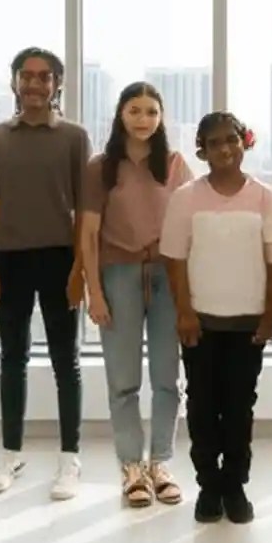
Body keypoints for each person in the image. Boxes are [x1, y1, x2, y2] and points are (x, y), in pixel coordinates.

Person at [160, 112, 272, 525]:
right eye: (214, 143)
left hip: (247, 325)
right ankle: (208, 487)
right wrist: (184, 312)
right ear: (202, 151)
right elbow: (174, 258)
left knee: (238, 408)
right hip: (200, 323)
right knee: (201, 407)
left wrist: (269, 317)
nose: (225, 148)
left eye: (231, 139)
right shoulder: (186, 197)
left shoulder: (265, 197)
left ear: (243, 142)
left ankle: (234, 486)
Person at [0, 47, 90, 499]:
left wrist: (80, 268)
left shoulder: (75, 137)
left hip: (60, 257)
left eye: (44, 77)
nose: (34, 84)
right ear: (14, 82)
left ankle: (70, 458)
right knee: (13, 358)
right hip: (11, 259)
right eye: (26, 76)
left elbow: (85, 209)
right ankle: (11, 453)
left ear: (56, 84)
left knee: (67, 361)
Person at [80, 81, 191, 508]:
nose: (143, 119)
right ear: (121, 115)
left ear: (161, 118)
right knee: (123, 380)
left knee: (167, 378)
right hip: (118, 275)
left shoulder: (176, 165)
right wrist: (94, 291)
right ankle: (131, 467)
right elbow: (88, 234)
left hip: (167, 276)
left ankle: (160, 463)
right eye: (135, 111)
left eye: (151, 112)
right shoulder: (101, 167)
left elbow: (191, 226)